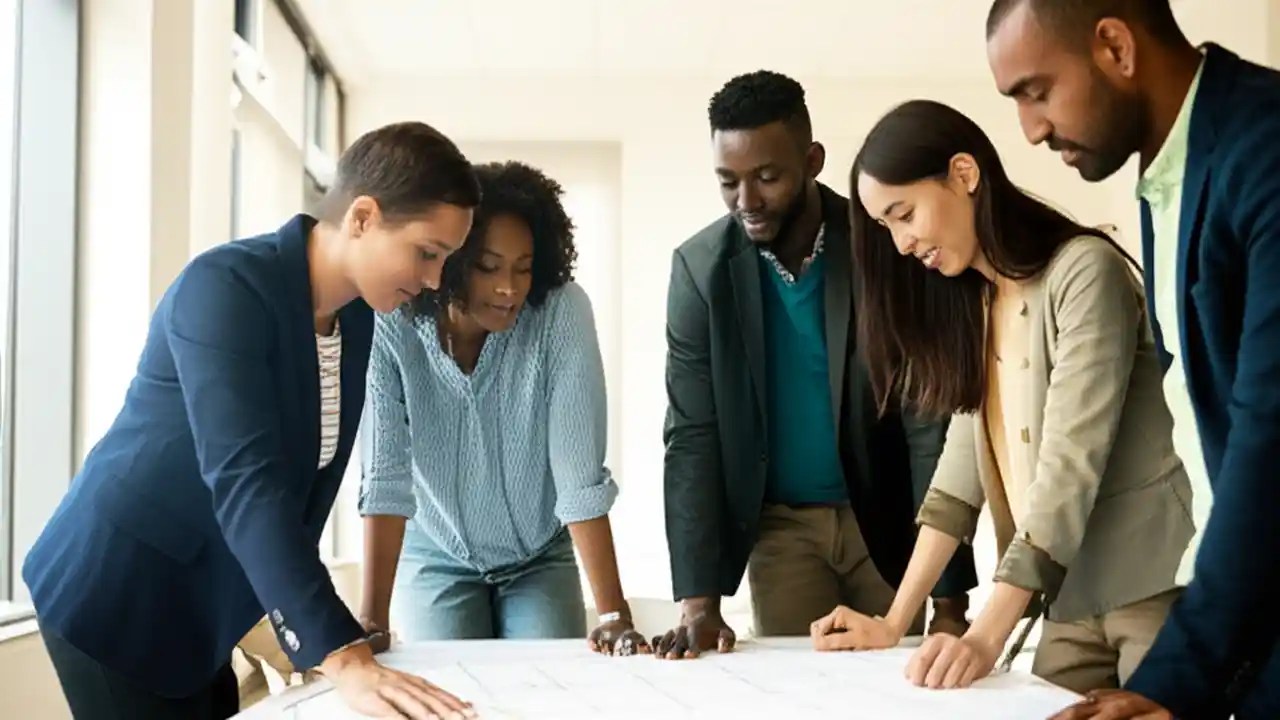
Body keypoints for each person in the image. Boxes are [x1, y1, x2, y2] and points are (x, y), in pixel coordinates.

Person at [21, 121, 481, 720]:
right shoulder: (225, 288)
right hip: (117, 590)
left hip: (203, 608)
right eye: (427, 253)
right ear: (363, 218)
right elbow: (246, 479)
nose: (434, 280)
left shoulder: (357, 318)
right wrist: (337, 651)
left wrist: (320, 628)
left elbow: (301, 491)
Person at [809, 99, 1192, 695]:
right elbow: (956, 484)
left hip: (1152, 584)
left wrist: (985, 634)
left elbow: (1069, 466)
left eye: (904, 214)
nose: (901, 243)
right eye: (886, 227)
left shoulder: (1083, 273)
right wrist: (894, 621)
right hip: (1068, 599)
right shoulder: (979, 304)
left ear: (964, 174)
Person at [985, 1, 1280, 717]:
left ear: (1115, 47)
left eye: (1036, 92)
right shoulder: (1165, 173)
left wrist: (1174, 680)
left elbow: (1269, 435)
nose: (1030, 129)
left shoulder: (1265, 149)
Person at [653, 70, 977, 660]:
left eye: (767, 177)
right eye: (728, 182)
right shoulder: (699, 272)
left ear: (812, 161)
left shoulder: (884, 246)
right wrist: (698, 603)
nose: (746, 201)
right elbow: (692, 435)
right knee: (798, 688)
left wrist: (950, 604)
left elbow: (927, 425)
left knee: (899, 688)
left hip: (887, 520)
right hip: (780, 530)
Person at [359, 161, 648, 656]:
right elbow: (385, 477)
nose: (509, 288)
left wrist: (614, 617)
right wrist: (371, 621)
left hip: (539, 555)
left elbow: (578, 475)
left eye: (524, 267)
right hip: (435, 550)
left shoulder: (560, 311)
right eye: (488, 267)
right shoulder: (392, 321)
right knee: (450, 688)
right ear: (450, 261)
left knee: (546, 686)